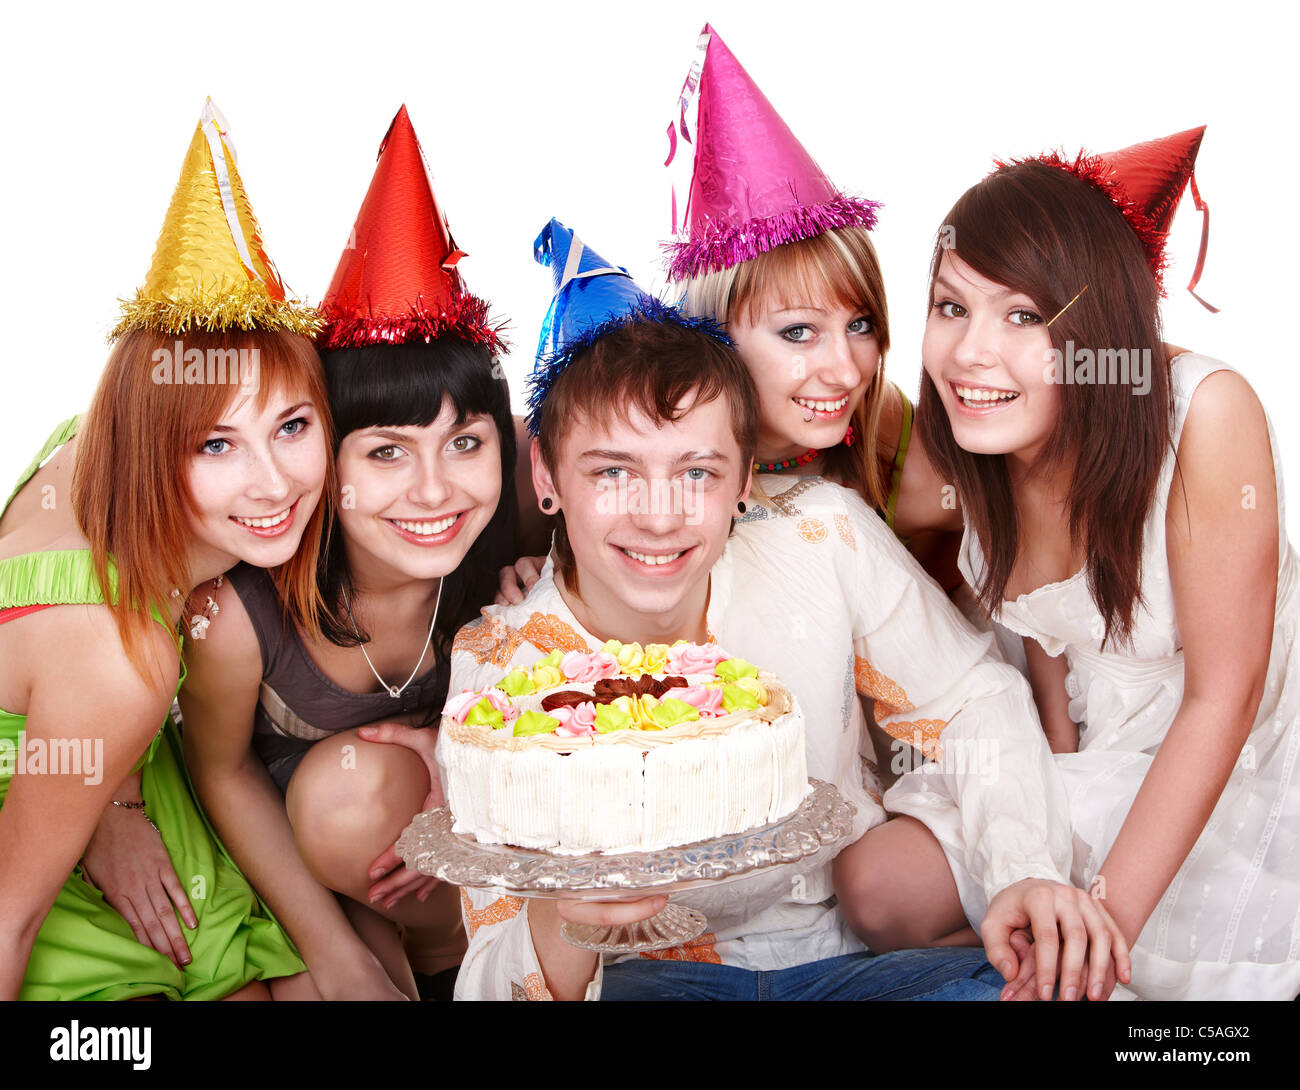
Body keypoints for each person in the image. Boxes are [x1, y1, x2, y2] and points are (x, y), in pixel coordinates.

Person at [365, 220, 1129, 1002]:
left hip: (847, 965)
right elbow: (491, 980)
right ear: (547, 474)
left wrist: (1023, 870)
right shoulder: (505, 666)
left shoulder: (821, 533)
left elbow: (974, 697)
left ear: (743, 481)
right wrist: (564, 916)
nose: (659, 517)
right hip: (643, 985)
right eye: (613, 472)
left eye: (697, 472)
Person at [914, 127, 1300, 999]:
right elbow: (1045, 643)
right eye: (951, 307)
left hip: (1237, 755)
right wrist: (1049, 815)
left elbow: (1225, 695)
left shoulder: (1206, 413)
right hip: (1096, 744)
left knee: (1154, 969)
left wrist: (1095, 930)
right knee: (879, 891)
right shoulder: (978, 434)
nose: (972, 352)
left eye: (1022, 315)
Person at [180, 106, 516, 1001]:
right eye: (387, 453)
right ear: (323, 460)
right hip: (304, 851)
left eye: (466, 443)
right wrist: (327, 949)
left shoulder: (517, 536)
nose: (436, 491)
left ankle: (473, 968)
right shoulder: (237, 610)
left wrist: (461, 742)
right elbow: (220, 768)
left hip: (466, 861)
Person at [0, 101, 328, 1000]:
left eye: (292, 426)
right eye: (216, 446)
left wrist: (115, 791)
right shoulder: (124, 661)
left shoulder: (83, 443)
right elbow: (7, 915)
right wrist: (93, 789)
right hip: (35, 834)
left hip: (111, 771)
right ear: (149, 444)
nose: (273, 483)